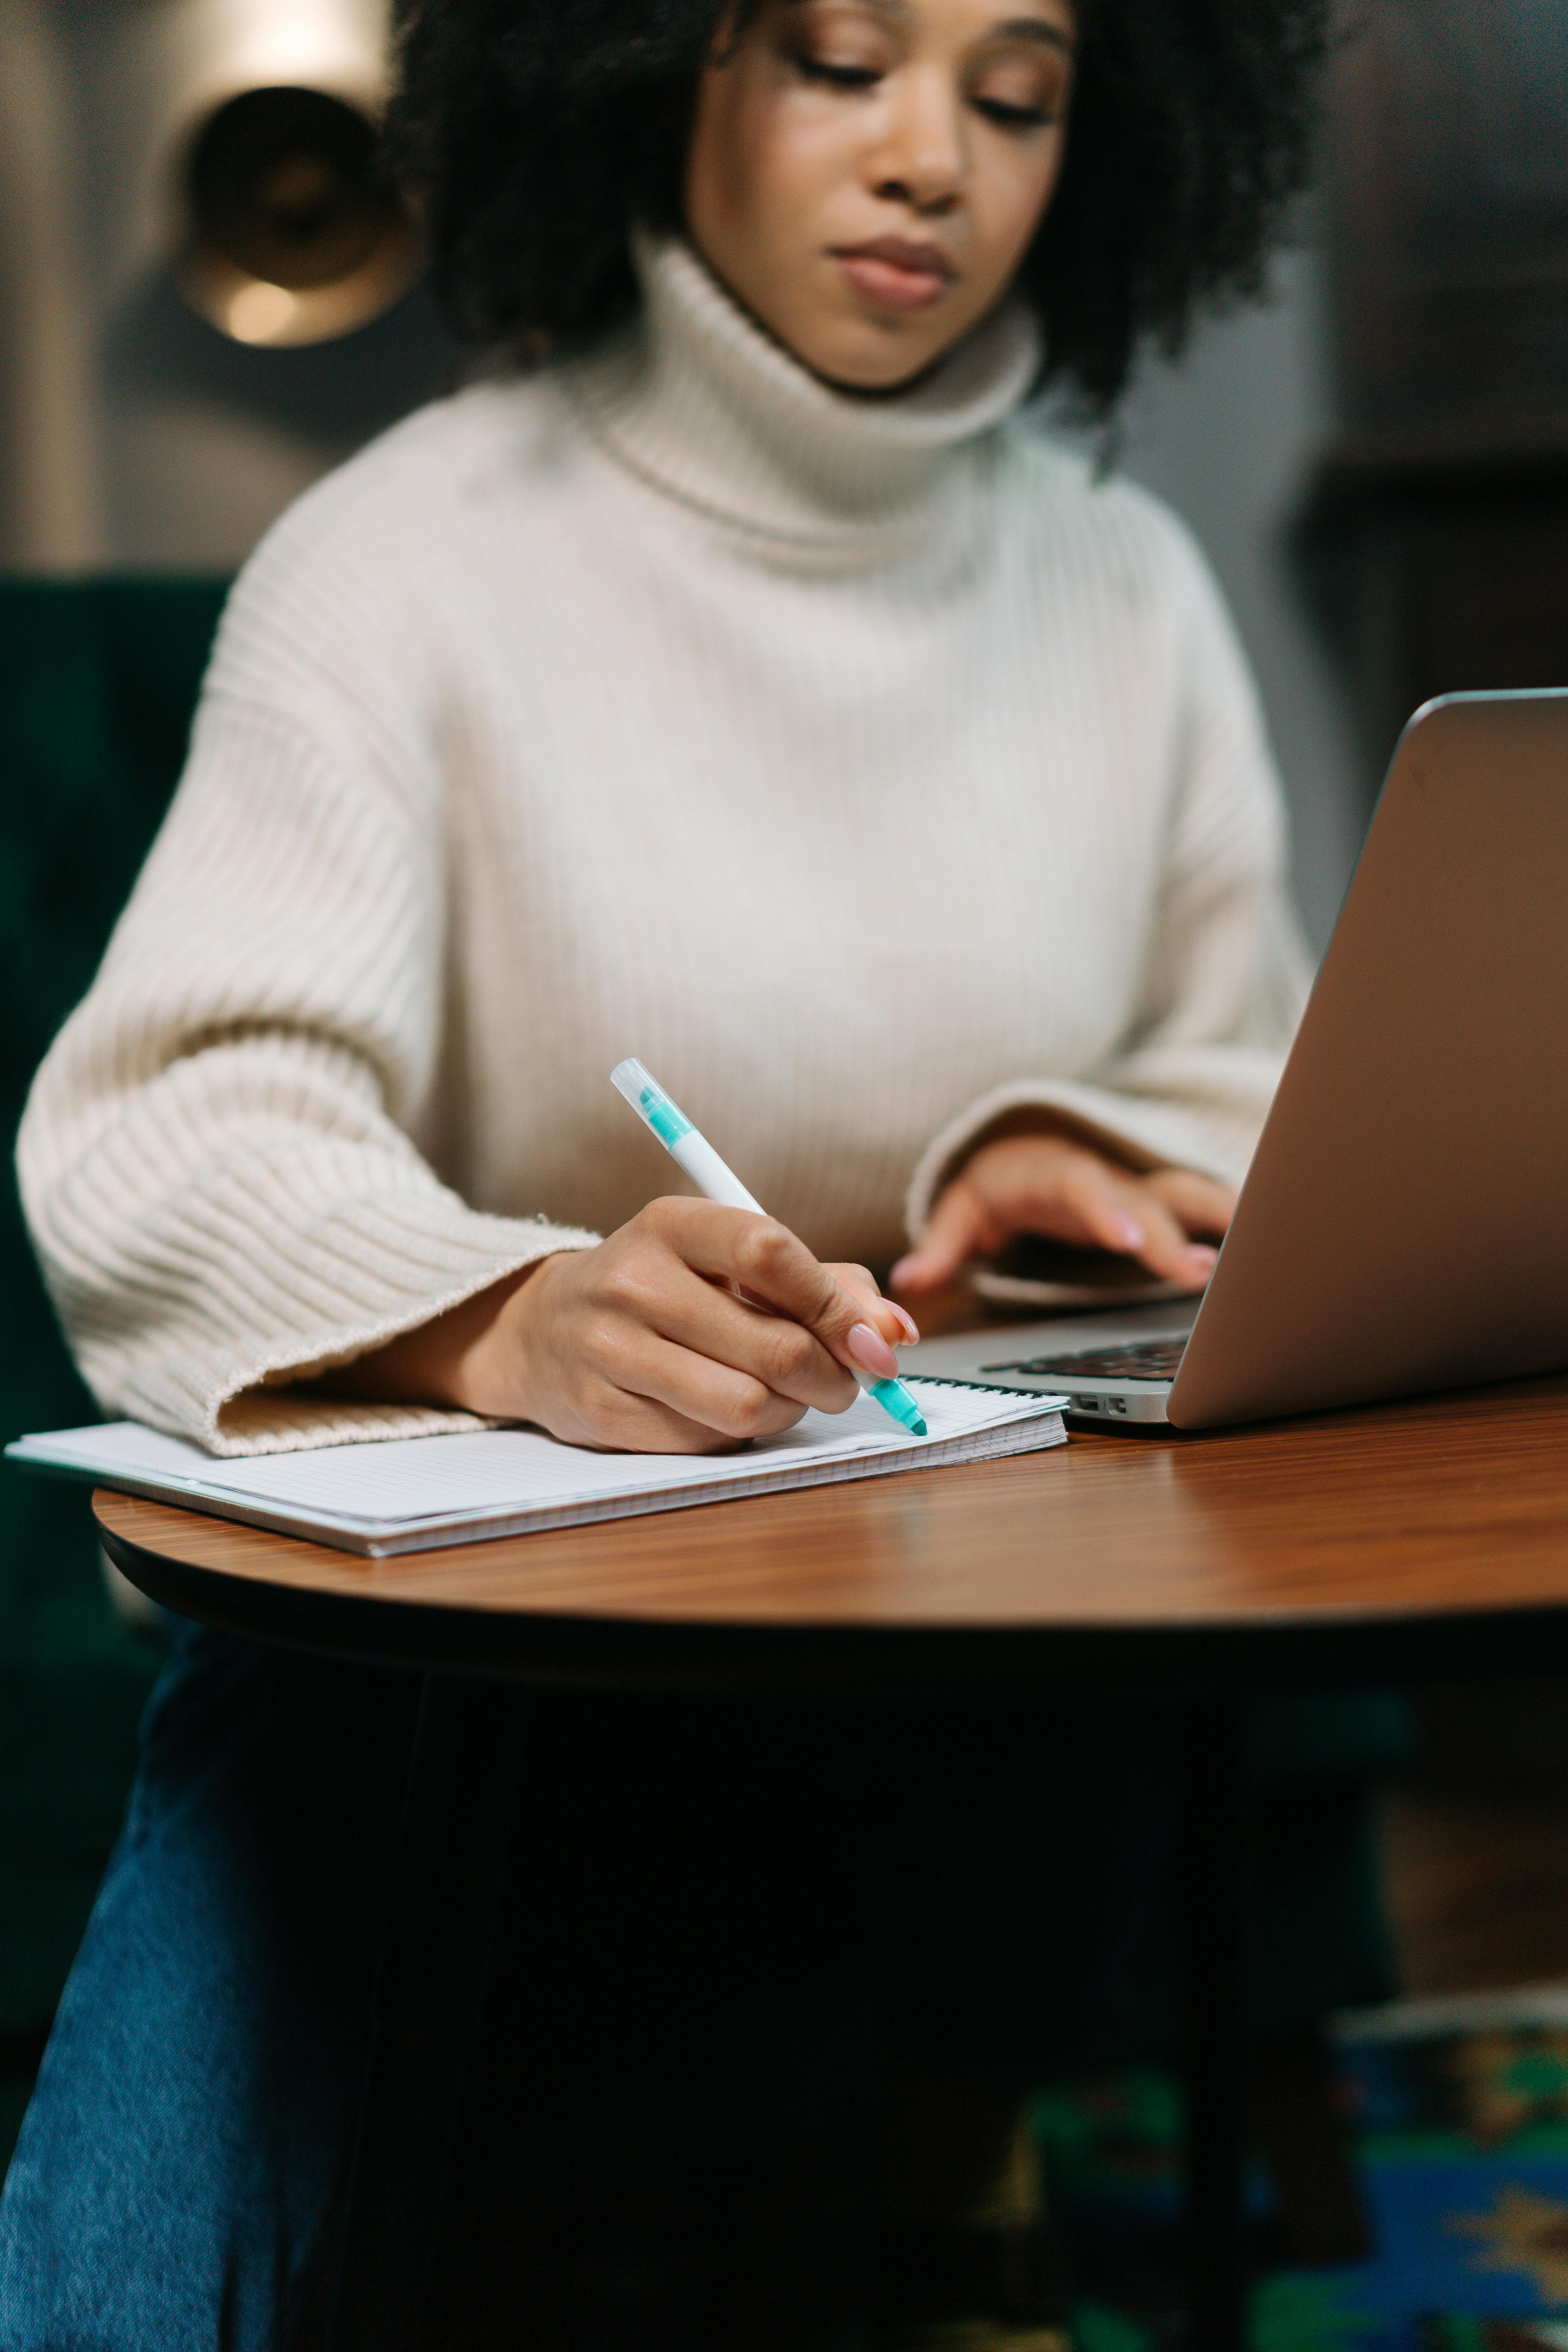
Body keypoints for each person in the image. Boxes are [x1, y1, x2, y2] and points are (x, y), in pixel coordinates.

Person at [1, 0, 1330, 2342]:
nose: (933, 155)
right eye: (841, 57)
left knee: (1117, 1531)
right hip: (496, 1588)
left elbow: (1267, 1061)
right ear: (649, 68)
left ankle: (941, 2196)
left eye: (1015, 93)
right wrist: (506, 1317)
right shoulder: (400, 561)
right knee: (287, 1750)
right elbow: (170, 1126)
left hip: (958, 1523)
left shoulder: (1121, 581)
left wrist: (1071, 1145)